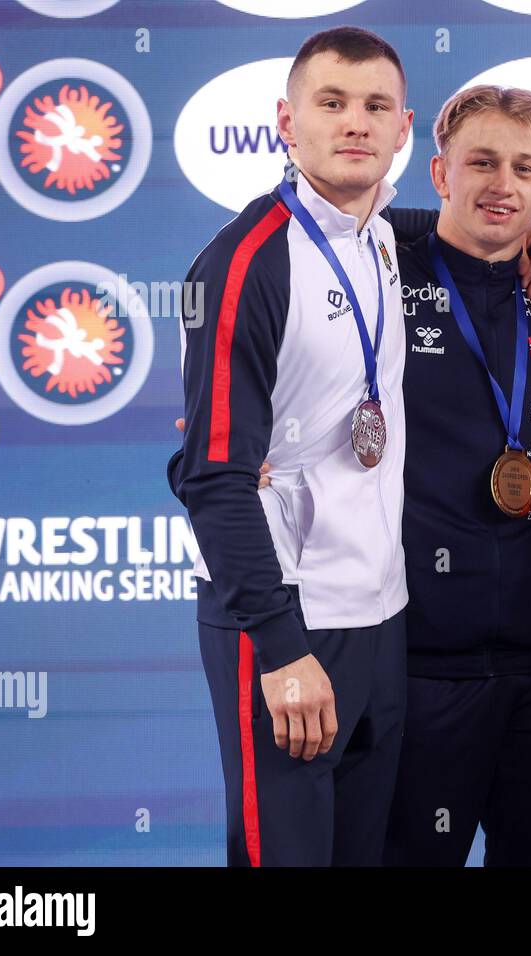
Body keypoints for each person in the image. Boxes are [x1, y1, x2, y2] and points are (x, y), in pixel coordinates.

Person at [167, 26, 411, 866]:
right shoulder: (246, 263)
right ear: (285, 121)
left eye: (375, 106)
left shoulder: (379, 233)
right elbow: (210, 476)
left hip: (381, 614)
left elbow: (460, 231)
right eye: (332, 103)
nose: (355, 124)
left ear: (403, 129)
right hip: (287, 621)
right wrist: (280, 646)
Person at [381, 85, 531, 866]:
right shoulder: (378, 274)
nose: (501, 183)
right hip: (418, 663)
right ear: (438, 173)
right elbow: (308, 221)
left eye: (524, 169)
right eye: (480, 162)